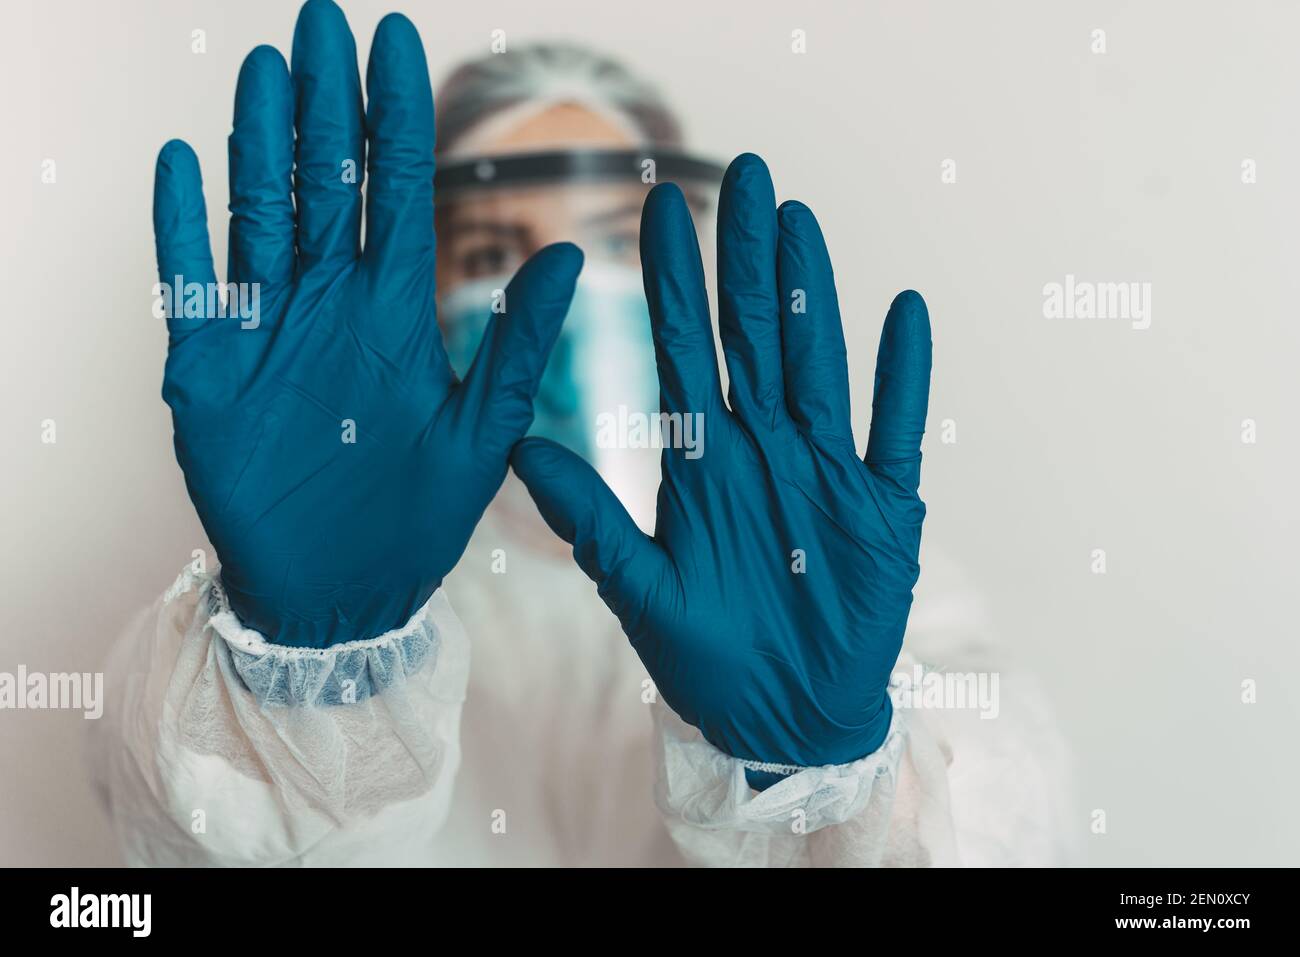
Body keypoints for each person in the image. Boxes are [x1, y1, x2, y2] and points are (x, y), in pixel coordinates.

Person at [90, 0, 1076, 867]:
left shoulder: (855, 585)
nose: (554, 287)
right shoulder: (255, 604)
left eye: (611, 238)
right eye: (489, 250)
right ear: (412, 295)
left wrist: (824, 770)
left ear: (686, 270)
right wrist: (307, 664)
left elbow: (1009, 827)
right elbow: (185, 842)